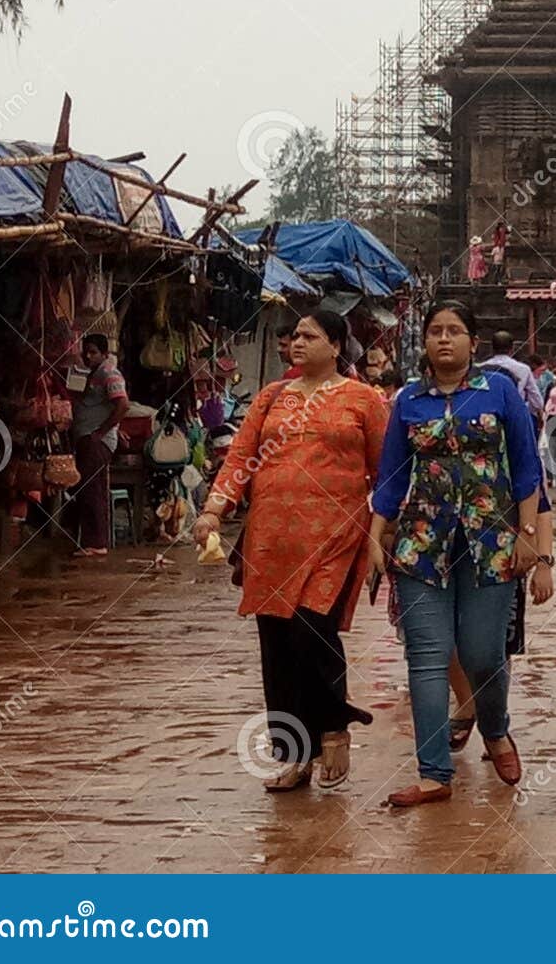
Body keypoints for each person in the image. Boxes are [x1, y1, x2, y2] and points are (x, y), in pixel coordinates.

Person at [193, 308, 388, 792]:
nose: (296, 343)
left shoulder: (365, 400)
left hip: (336, 537)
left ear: (337, 346)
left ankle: (334, 728)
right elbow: (240, 458)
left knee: (313, 630)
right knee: (277, 645)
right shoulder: (271, 397)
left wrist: (384, 535)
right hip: (271, 540)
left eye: (309, 336)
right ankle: (294, 754)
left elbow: (387, 471)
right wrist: (214, 510)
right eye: (294, 337)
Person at [368, 301, 545, 807]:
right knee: (426, 656)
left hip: (491, 541)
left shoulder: (501, 392)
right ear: (425, 343)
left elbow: (528, 467)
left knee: (483, 654)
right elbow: (391, 476)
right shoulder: (408, 401)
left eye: (455, 331)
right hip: (422, 542)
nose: (444, 340)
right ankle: (433, 773)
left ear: (473, 343)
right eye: (435, 332)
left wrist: (529, 534)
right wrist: (374, 536)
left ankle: (495, 728)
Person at [70, 333, 129, 557]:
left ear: (104, 353)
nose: (88, 356)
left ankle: (97, 543)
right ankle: (91, 541)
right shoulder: (93, 374)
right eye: (86, 351)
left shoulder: (108, 373)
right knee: (88, 489)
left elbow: (123, 405)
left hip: (97, 441)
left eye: (93, 352)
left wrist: (102, 431)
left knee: (92, 489)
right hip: (88, 438)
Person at [478, 329, 545, 422]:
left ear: (492, 348)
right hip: (514, 416)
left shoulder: (480, 368)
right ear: (512, 348)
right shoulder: (523, 369)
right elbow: (537, 400)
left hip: (486, 416)